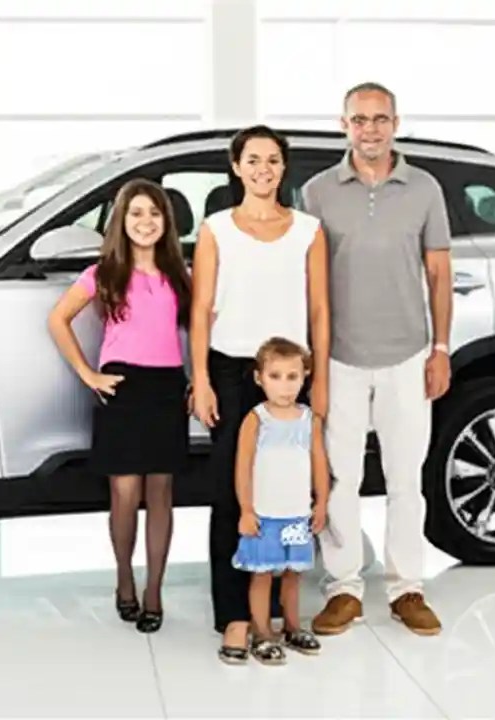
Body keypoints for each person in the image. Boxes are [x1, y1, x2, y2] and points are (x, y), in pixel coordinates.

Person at [302, 82, 452, 637]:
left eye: (380, 119)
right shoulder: (317, 192)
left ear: (395, 123)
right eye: (359, 119)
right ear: (343, 124)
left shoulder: (425, 189)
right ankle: (343, 589)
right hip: (339, 357)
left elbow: (438, 273)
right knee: (340, 478)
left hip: (408, 356)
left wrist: (440, 349)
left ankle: (407, 587)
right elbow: (308, 278)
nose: (370, 129)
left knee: (405, 477)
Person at [190, 125, 331, 662]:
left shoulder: (309, 231)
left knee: (287, 492)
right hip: (231, 369)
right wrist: (200, 379)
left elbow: (319, 309)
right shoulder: (216, 229)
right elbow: (201, 308)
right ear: (236, 166)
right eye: (253, 159)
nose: (263, 169)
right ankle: (233, 617)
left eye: (272, 160)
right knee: (233, 494)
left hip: (293, 371)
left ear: (283, 168)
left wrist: (322, 382)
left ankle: (276, 617)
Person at [47, 178, 192, 634]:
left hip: (167, 387)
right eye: (136, 214)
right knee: (124, 495)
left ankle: (154, 591)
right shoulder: (103, 273)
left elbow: (196, 330)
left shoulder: (179, 274)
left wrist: (197, 380)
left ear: (166, 221)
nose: (145, 222)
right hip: (123, 388)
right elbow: (58, 319)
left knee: (161, 494)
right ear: (121, 222)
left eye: (154, 213)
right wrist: (88, 374)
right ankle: (125, 579)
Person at [228, 337, 329, 666]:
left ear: (305, 377)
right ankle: (262, 632)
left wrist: (321, 503)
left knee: (292, 573)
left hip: (297, 515)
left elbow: (318, 464)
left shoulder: (308, 420)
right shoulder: (256, 420)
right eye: (276, 377)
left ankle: (292, 626)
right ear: (260, 378)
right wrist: (245, 509)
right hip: (265, 517)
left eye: (292, 377)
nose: (285, 387)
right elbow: (242, 468)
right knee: (262, 574)